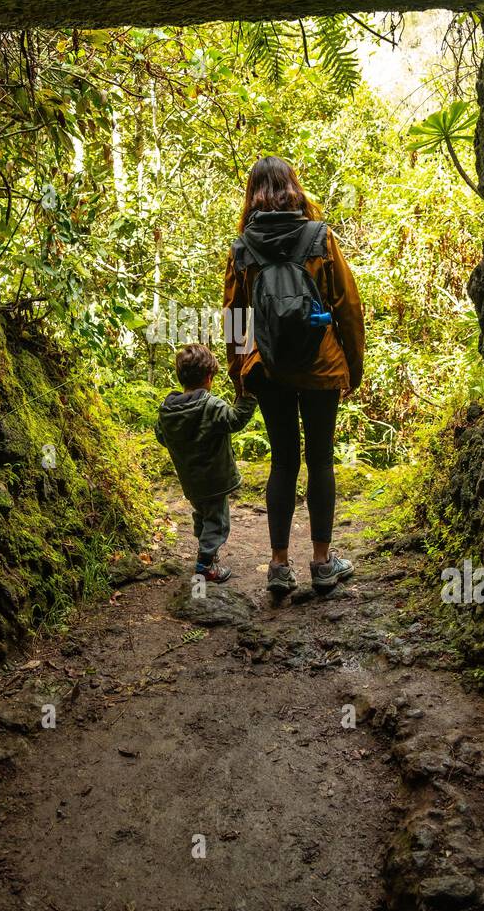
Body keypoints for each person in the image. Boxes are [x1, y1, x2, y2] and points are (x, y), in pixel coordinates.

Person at [224, 156, 365, 597]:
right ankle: (323, 563)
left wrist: (239, 373)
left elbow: (233, 317)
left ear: (254, 196)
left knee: (283, 461)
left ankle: (279, 566)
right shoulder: (320, 238)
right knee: (320, 460)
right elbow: (348, 306)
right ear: (294, 189)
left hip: (268, 367)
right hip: (321, 365)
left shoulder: (243, 247)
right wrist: (352, 368)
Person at [155, 343, 257, 583]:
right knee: (218, 521)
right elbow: (236, 419)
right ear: (209, 377)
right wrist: (248, 396)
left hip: (190, 481)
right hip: (214, 480)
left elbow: (161, 436)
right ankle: (205, 565)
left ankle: (205, 551)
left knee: (202, 514)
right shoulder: (211, 406)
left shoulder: (168, 410)